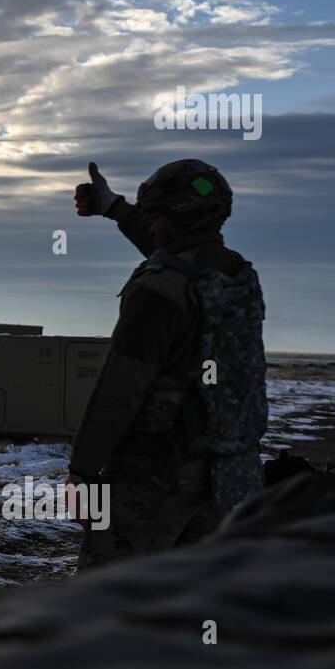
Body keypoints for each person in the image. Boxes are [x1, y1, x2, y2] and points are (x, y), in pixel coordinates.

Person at [68, 160, 267, 570]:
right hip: (231, 478)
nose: (151, 226)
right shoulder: (235, 275)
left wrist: (82, 471)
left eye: (155, 215)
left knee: (109, 599)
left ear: (172, 219)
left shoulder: (159, 288)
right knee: (200, 602)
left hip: (155, 481)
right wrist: (114, 209)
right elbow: (182, 257)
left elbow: (120, 389)